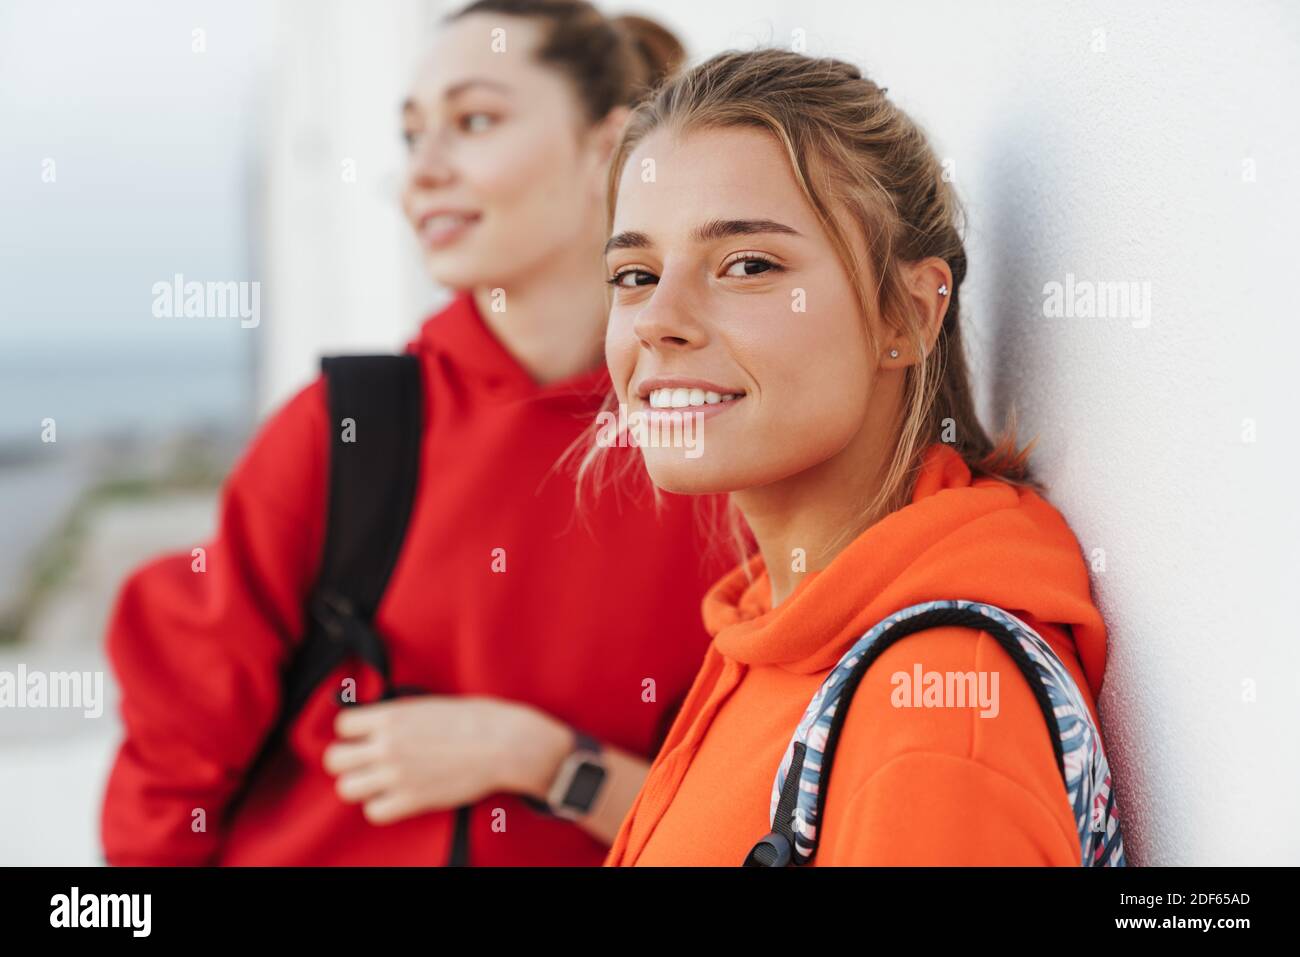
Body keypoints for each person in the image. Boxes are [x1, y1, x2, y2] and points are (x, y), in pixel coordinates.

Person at [100, 0, 726, 866]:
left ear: (611, 150)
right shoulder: (349, 430)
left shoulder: (725, 446)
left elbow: (754, 828)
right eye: (410, 136)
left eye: (474, 121)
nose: (421, 173)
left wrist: (539, 758)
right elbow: (171, 776)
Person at [596, 48, 1119, 865]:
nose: (659, 319)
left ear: (905, 316)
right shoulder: (777, 624)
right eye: (634, 273)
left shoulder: (939, 711)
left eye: (747, 265)